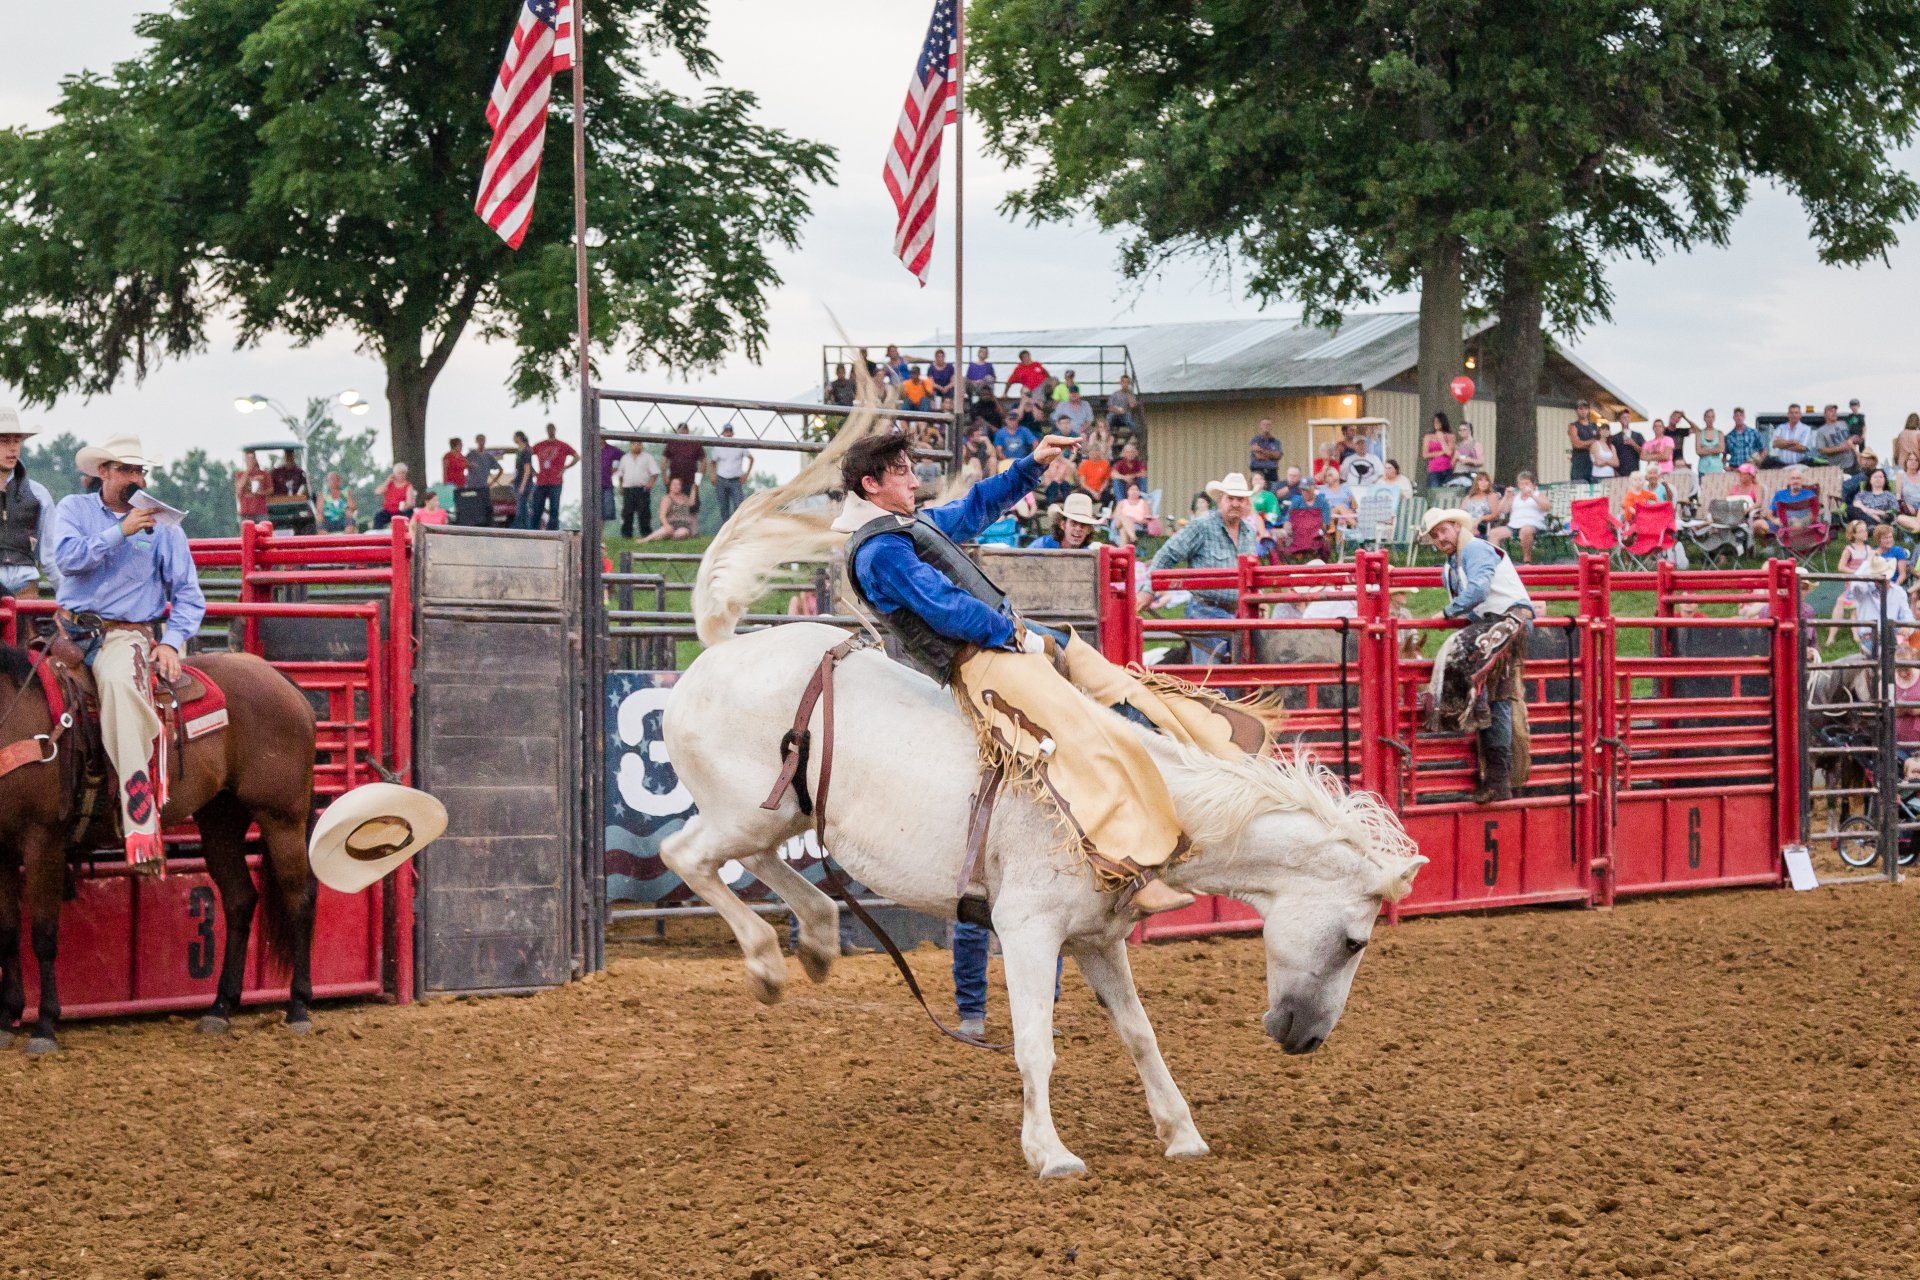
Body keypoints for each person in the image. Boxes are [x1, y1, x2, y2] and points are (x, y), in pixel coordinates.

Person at [833, 431, 1270, 919]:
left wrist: (1031, 465)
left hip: (1004, 636)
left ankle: (1209, 744)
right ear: (871, 484)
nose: (916, 479)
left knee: (1111, 680)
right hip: (983, 659)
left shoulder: (903, 529)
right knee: (1079, 733)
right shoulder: (881, 551)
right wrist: (1012, 633)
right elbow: (945, 609)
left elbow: (974, 510)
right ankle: (1129, 866)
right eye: (902, 472)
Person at [50, 433, 208, 870]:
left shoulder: (164, 526)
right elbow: (68, 560)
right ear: (103, 472)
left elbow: (190, 596)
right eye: (127, 470)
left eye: (141, 471)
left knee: (120, 685)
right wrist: (120, 531)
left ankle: (140, 823)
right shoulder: (73, 510)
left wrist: (173, 642)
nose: (136, 479)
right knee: (23, 691)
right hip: (67, 630)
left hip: (124, 635)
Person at [1423, 508, 1535, 803]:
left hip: (1509, 619)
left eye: (1443, 531)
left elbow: (1480, 589)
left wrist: (1447, 612)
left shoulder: (1475, 549)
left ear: (1456, 527)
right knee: (1499, 698)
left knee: (1460, 650)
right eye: (1435, 535)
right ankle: (1498, 780)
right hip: (1497, 622)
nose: (1440, 538)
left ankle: (1464, 709)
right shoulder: (1455, 562)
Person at [1145, 471, 1259, 665]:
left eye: (1240, 499)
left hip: (1238, 613)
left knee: (1245, 669)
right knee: (1212, 677)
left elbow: (1252, 572)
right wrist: (1148, 590)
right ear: (1221, 499)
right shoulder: (1202, 526)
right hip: (1206, 610)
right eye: (1231, 498)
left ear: (1246, 503)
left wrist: (1259, 598)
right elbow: (1167, 554)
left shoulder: (1248, 532)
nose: (1236, 503)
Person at [0, 409, 57, 599]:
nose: (13, 448)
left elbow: (50, 555)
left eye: (16, 441)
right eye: (4, 441)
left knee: (29, 630)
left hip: (25, 587)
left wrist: (68, 596)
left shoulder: (39, 494)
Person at [1833, 555, 1914, 658]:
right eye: (1877, 577)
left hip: (1894, 637)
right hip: (1870, 639)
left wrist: (1906, 627)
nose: (1882, 580)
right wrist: (1867, 564)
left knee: (1906, 654)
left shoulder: (1898, 592)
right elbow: (1856, 584)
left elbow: (1907, 616)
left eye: (1884, 576)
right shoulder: (1863, 592)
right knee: (1884, 656)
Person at [529, 421, 578, 531]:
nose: (551, 431)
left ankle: (552, 532)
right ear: (547, 431)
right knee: (537, 508)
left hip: (555, 481)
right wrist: (533, 471)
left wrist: (565, 467)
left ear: (555, 430)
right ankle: (533, 531)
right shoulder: (540, 445)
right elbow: (527, 456)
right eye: (549, 429)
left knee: (554, 509)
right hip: (541, 481)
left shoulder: (562, 445)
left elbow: (576, 456)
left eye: (552, 429)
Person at [1504, 472, 1551, 564]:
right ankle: (1497, 563)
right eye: (1521, 484)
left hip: (1533, 524)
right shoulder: (1515, 497)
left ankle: (1527, 561)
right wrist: (1506, 497)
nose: (1523, 486)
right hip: (1514, 525)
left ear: (1533, 485)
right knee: (1494, 533)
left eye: (1527, 483)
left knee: (1525, 530)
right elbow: (1504, 510)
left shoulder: (1538, 494)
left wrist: (1532, 496)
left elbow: (1547, 508)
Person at [616, 440, 660, 539]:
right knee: (627, 513)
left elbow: (655, 472)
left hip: (642, 488)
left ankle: (646, 534)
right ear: (631, 445)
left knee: (644, 512)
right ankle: (626, 535)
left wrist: (650, 483)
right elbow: (621, 474)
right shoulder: (625, 458)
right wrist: (621, 486)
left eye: (639, 444)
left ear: (642, 445)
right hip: (628, 488)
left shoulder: (647, 457)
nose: (637, 446)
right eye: (635, 444)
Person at [1030, 491, 1102, 549]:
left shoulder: (1090, 556)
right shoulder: (1041, 546)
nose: (1078, 528)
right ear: (1063, 525)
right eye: (1073, 523)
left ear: (1088, 530)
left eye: (1083, 525)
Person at [662, 422, 708, 513]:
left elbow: (704, 462)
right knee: (671, 509)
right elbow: (664, 461)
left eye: (684, 429)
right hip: (674, 482)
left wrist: (697, 481)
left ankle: (690, 527)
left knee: (692, 509)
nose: (683, 431)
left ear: (688, 431)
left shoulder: (695, 443)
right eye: (681, 430)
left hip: (690, 482)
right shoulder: (672, 443)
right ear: (677, 431)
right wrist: (665, 478)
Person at [711, 425, 752, 524]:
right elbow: (712, 462)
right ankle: (725, 529)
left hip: (735, 479)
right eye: (726, 432)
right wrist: (712, 476)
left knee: (738, 505)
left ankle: (737, 528)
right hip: (721, 479)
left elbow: (751, 458)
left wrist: (746, 474)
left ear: (732, 433)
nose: (728, 434)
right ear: (723, 433)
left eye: (729, 432)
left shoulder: (740, 445)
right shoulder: (718, 447)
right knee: (724, 507)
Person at [638, 477, 696, 542]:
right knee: (665, 531)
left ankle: (667, 538)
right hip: (670, 523)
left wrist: (693, 490)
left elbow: (691, 503)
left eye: (678, 484)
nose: (676, 486)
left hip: (683, 525)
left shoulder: (684, 497)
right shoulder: (667, 498)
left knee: (682, 533)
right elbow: (662, 515)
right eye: (674, 484)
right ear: (670, 486)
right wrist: (667, 526)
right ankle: (645, 540)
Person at [462, 434, 500, 526]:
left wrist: (491, 483)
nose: (481, 442)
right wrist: (469, 466)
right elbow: (462, 465)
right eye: (479, 440)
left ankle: (486, 524)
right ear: (476, 441)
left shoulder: (488, 456)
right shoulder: (471, 455)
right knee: (472, 506)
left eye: (483, 440)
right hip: (471, 486)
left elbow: (500, 469)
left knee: (486, 507)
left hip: (483, 486)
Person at [1461, 472, 1508, 547]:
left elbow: (1495, 514)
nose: (1484, 483)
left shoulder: (1491, 496)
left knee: (1467, 532)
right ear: (1476, 482)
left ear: (1489, 483)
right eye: (1481, 480)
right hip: (1467, 523)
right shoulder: (1468, 497)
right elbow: (1461, 513)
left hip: (1483, 524)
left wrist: (1480, 518)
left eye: (1486, 480)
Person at [1813, 403, 1860, 471]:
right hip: (1836, 468)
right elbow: (1821, 450)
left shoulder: (1844, 424)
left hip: (1853, 464)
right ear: (1825, 414)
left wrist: (1856, 439)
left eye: (1835, 411)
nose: (1834, 413)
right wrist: (1840, 448)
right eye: (1831, 411)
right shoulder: (1821, 431)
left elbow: (1855, 438)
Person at [1766, 404, 1814, 468]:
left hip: (1801, 466)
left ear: (1800, 415)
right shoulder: (1781, 428)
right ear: (1788, 414)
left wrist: (1782, 445)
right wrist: (1793, 442)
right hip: (1781, 466)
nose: (1794, 415)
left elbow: (1803, 448)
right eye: (1791, 413)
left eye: (1796, 413)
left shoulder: (1806, 429)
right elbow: (1775, 444)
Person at [1567, 400, 1602, 483]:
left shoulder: (1594, 426)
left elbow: (1600, 442)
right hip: (1579, 463)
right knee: (1579, 489)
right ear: (1576, 411)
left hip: (1593, 464)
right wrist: (1592, 442)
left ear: (1589, 410)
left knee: (1594, 490)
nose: (1583, 411)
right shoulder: (1573, 426)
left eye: (1585, 409)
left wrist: (1589, 444)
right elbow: (1576, 444)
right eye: (1580, 409)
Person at [372, 463, 416, 529]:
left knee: (409, 513)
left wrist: (404, 506)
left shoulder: (408, 486)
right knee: (378, 516)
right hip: (388, 511)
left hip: (401, 511)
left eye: (403, 473)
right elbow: (377, 492)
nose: (401, 475)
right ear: (394, 474)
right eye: (399, 473)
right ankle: (378, 536)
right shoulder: (389, 484)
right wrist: (387, 481)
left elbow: (410, 503)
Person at [508, 430, 537, 529]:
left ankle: (519, 528)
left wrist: (522, 486)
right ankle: (526, 528)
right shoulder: (519, 451)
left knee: (521, 508)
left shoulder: (526, 451)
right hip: (518, 481)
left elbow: (527, 470)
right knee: (522, 507)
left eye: (514, 436)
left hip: (524, 483)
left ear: (519, 437)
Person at [234, 450, 271, 523]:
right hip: (245, 512)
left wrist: (261, 492)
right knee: (247, 532)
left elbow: (270, 490)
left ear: (255, 459)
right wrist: (248, 471)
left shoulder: (264, 474)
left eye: (252, 458)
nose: (250, 461)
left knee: (263, 532)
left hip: (260, 512)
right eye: (248, 459)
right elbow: (239, 487)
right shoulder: (240, 474)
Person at [1422, 413, 1456, 492]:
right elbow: (1425, 455)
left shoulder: (1451, 436)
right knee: (1435, 493)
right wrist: (1441, 452)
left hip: (1447, 469)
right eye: (1434, 422)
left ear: (1443, 422)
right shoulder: (1428, 437)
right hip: (1434, 470)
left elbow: (1449, 453)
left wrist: (1441, 439)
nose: (1436, 424)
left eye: (1438, 422)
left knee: (1448, 493)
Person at [1248, 418, 1283, 488]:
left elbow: (1278, 455)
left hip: (1272, 472)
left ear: (1271, 427)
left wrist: (1261, 450)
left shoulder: (1276, 441)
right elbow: (1258, 456)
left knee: (1273, 491)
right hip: (1258, 471)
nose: (1266, 426)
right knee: (1258, 490)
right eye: (1264, 424)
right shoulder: (1255, 440)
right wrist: (1272, 455)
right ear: (1260, 426)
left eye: (1268, 425)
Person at [1693, 409, 1726, 474]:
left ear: (1714, 418)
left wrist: (1705, 449)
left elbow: (1721, 449)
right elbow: (1698, 451)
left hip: (1717, 468)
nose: (1710, 419)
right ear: (1704, 418)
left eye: (1712, 417)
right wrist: (1714, 449)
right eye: (1708, 417)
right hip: (1703, 468)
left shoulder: (1719, 433)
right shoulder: (1699, 433)